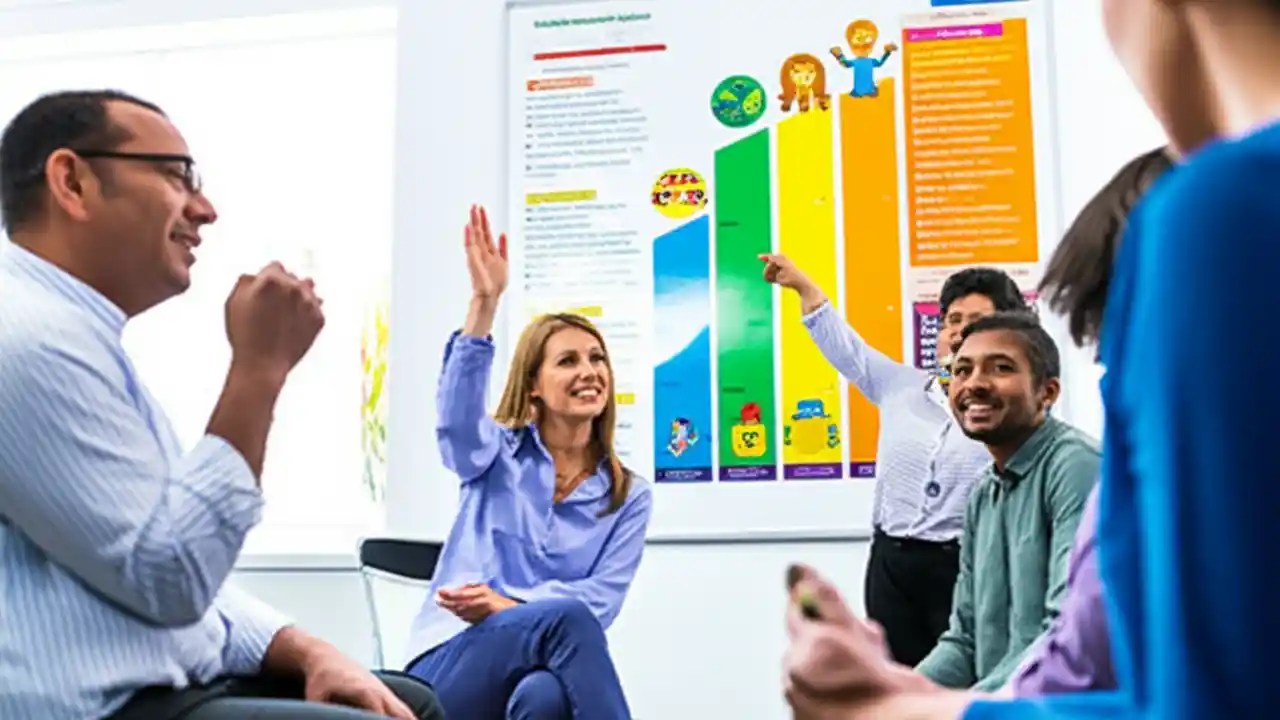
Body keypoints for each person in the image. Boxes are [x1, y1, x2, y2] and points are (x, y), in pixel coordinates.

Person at [786, 0, 1280, 717]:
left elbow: (1201, 691)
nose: (971, 377)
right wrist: (909, 692)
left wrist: (888, 707)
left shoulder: (1222, 212)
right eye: (960, 356)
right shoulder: (982, 485)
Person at [0, 90, 444, 720]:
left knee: (406, 700)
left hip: (166, 686)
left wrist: (310, 650)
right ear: (72, 181)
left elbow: (170, 578)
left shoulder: (70, 338)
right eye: (177, 175)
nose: (204, 209)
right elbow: (170, 577)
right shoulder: (25, 342)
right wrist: (258, 369)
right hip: (106, 709)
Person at [403, 205, 651, 719]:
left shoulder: (630, 496)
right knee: (567, 618)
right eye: (568, 361)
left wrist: (506, 605)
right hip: (448, 663)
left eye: (597, 358)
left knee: (545, 697)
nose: (589, 371)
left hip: (536, 667)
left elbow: (601, 601)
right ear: (533, 386)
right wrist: (483, 303)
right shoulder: (493, 454)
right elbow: (455, 426)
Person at [761, 254, 1028, 667]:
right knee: (893, 682)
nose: (958, 332)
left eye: (974, 320)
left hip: (964, 566)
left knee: (963, 679)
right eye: (951, 320)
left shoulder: (1015, 406)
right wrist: (805, 289)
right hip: (892, 565)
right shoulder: (901, 386)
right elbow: (847, 349)